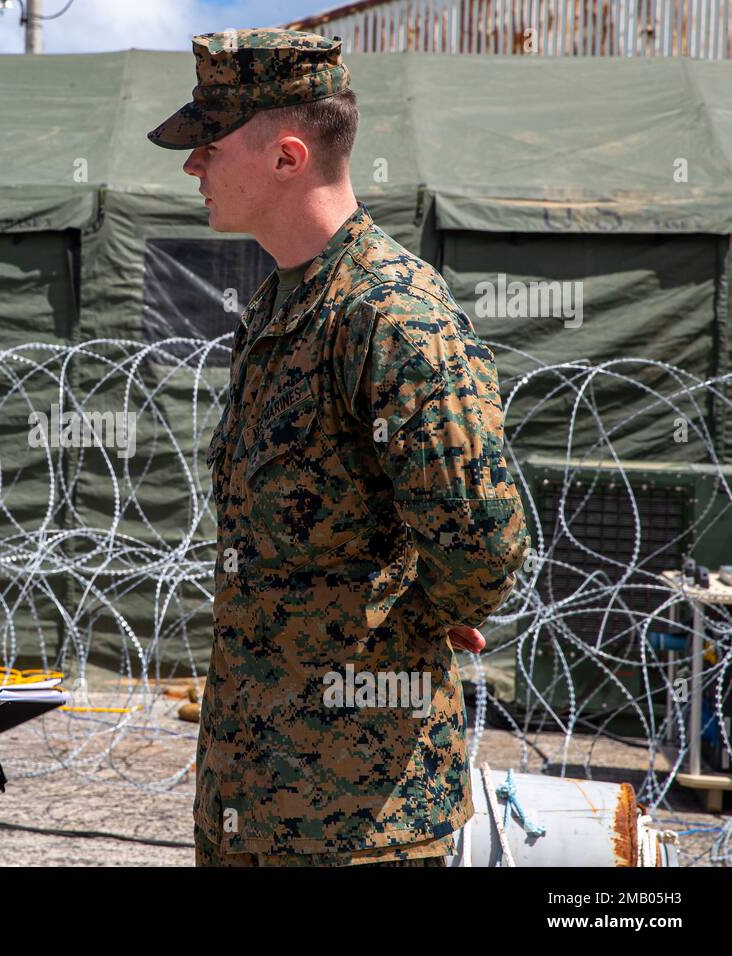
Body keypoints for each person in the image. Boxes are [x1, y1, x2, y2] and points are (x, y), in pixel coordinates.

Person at [148, 29, 529, 866]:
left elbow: (485, 549)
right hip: (254, 794)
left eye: (208, 147)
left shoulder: (390, 314)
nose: (191, 168)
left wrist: (420, 612)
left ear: (287, 157)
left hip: (358, 816)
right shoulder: (284, 307)